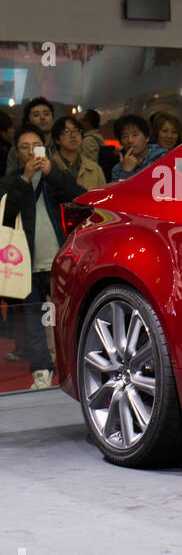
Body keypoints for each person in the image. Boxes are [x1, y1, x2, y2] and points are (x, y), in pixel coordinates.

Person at [0, 124, 87, 388]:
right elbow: (4, 215)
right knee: (32, 320)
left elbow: (80, 198)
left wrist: (53, 174)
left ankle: (73, 367)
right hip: (26, 263)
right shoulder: (10, 180)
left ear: (45, 149)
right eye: (24, 147)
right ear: (17, 152)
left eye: (34, 146)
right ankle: (41, 371)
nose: (30, 152)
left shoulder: (54, 178)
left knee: (66, 316)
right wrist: (25, 179)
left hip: (60, 260)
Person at [49, 116, 106, 191]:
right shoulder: (50, 168)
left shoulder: (94, 169)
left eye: (76, 131)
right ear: (57, 139)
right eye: (66, 132)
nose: (73, 135)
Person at [4, 97, 56, 177]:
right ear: (28, 121)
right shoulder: (17, 149)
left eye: (46, 114)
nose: (42, 117)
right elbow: (10, 180)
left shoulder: (60, 145)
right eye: (36, 115)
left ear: (53, 119)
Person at [110, 114, 167, 182]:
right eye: (125, 136)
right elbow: (118, 192)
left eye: (135, 135)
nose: (130, 140)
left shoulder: (164, 158)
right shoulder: (117, 169)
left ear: (147, 137)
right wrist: (125, 172)